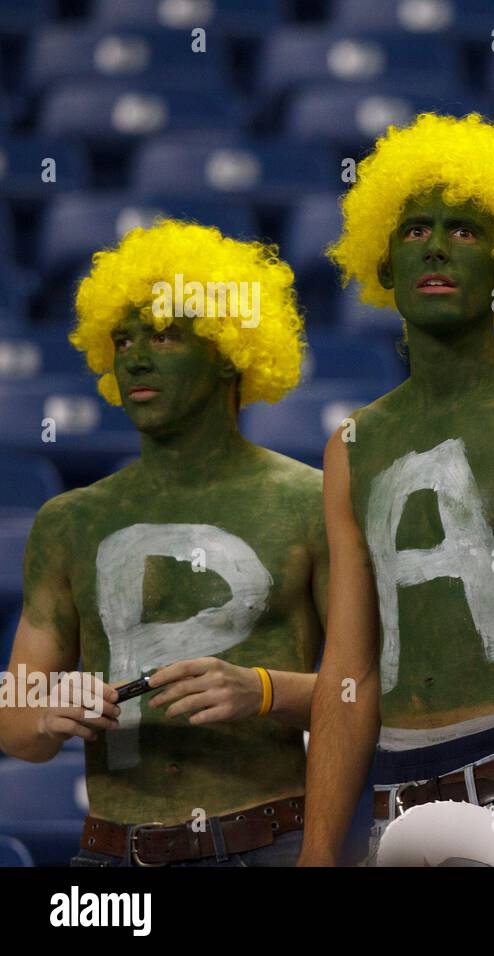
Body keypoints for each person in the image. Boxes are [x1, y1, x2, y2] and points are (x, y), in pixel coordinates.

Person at [296, 112, 494, 866]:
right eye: (414, 230)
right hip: (391, 810)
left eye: (465, 231)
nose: (436, 245)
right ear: (383, 261)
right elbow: (350, 669)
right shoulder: (351, 446)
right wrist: (313, 855)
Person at [0, 220, 325, 866]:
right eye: (122, 339)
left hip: (270, 845)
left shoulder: (310, 502)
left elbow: (373, 694)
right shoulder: (69, 520)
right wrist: (47, 713)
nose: (137, 357)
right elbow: (16, 724)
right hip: (112, 855)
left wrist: (261, 690)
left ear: (231, 351)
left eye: (167, 335)